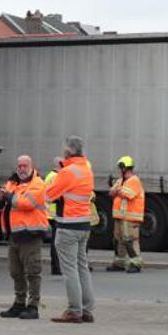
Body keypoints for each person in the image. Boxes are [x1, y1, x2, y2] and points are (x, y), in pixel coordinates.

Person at [45, 136, 95, 324]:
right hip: (84, 225)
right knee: (82, 267)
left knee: (70, 270)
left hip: (68, 226)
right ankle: (87, 309)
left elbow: (49, 195)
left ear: (68, 152)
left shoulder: (67, 172)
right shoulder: (86, 169)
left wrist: (60, 170)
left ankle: (74, 310)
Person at [0, 155, 48, 320]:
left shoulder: (37, 183)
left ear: (31, 166)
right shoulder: (12, 183)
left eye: (24, 166)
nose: (21, 169)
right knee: (15, 272)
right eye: (19, 166)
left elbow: (25, 203)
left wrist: (8, 196)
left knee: (32, 272)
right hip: (15, 235)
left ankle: (33, 306)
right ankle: (19, 303)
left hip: (31, 234)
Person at [108, 155, 145, 273]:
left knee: (130, 240)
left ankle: (136, 263)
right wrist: (117, 190)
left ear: (124, 168)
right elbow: (111, 192)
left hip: (130, 217)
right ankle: (119, 263)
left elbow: (127, 194)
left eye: (120, 167)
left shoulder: (134, 180)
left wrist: (117, 190)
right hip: (120, 216)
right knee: (118, 240)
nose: (119, 170)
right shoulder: (120, 181)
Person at [43, 157, 64, 275]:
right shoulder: (56, 177)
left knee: (55, 240)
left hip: (50, 211)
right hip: (54, 212)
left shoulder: (50, 175)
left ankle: (56, 266)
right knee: (57, 242)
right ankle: (56, 267)